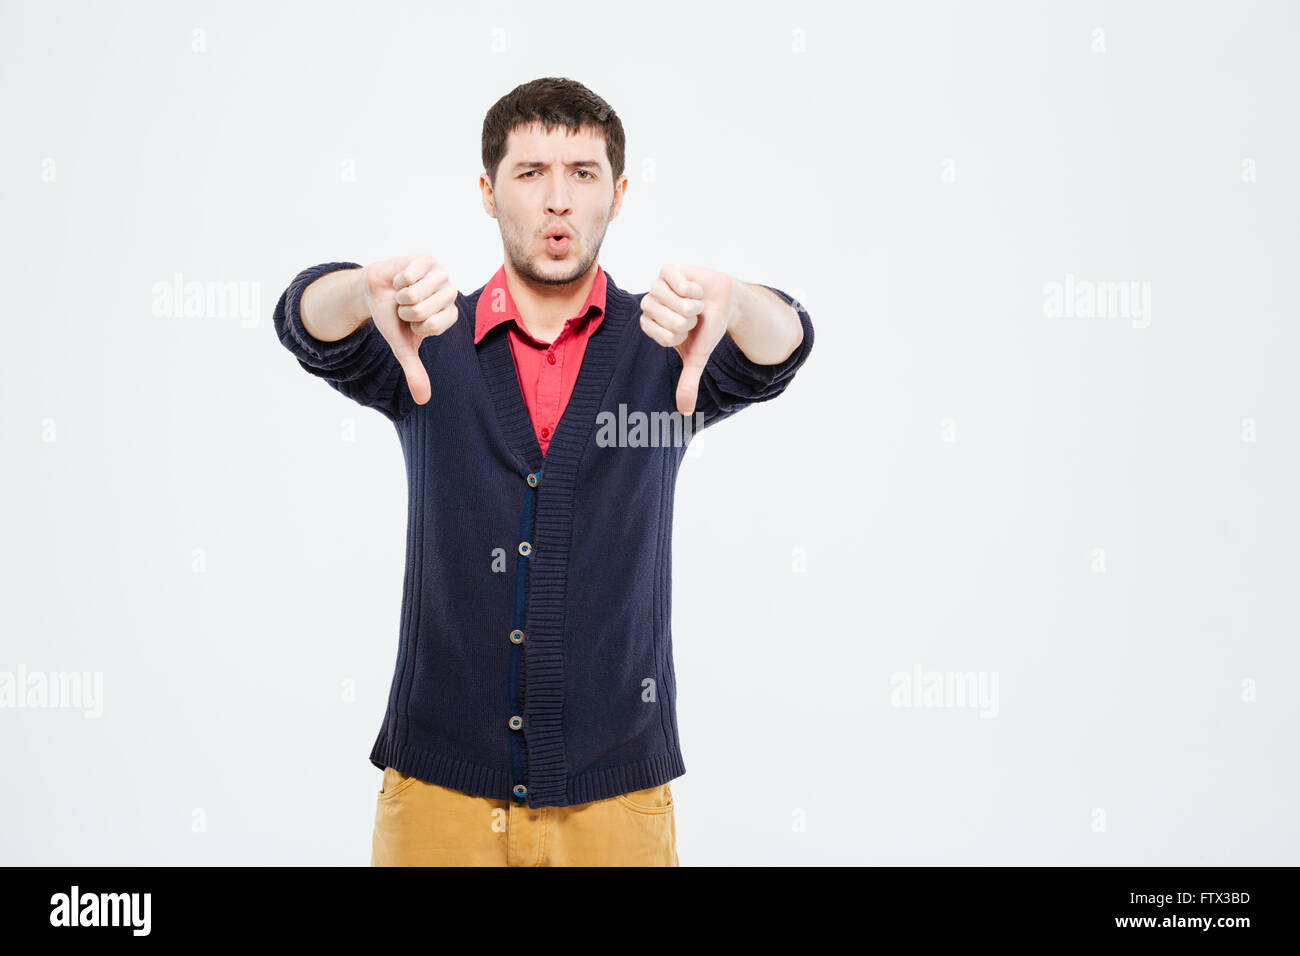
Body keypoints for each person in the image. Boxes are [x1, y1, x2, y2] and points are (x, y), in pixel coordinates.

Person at [272, 77, 815, 866]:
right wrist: (358, 290)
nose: (557, 200)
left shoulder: (668, 351)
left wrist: (740, 308)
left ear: (618, 194)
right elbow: (302, 322)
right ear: (489, 194)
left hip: (616, 796)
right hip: (439, 791)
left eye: (583, 174)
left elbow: (785, 346)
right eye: (531, 174)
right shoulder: (426, 339)